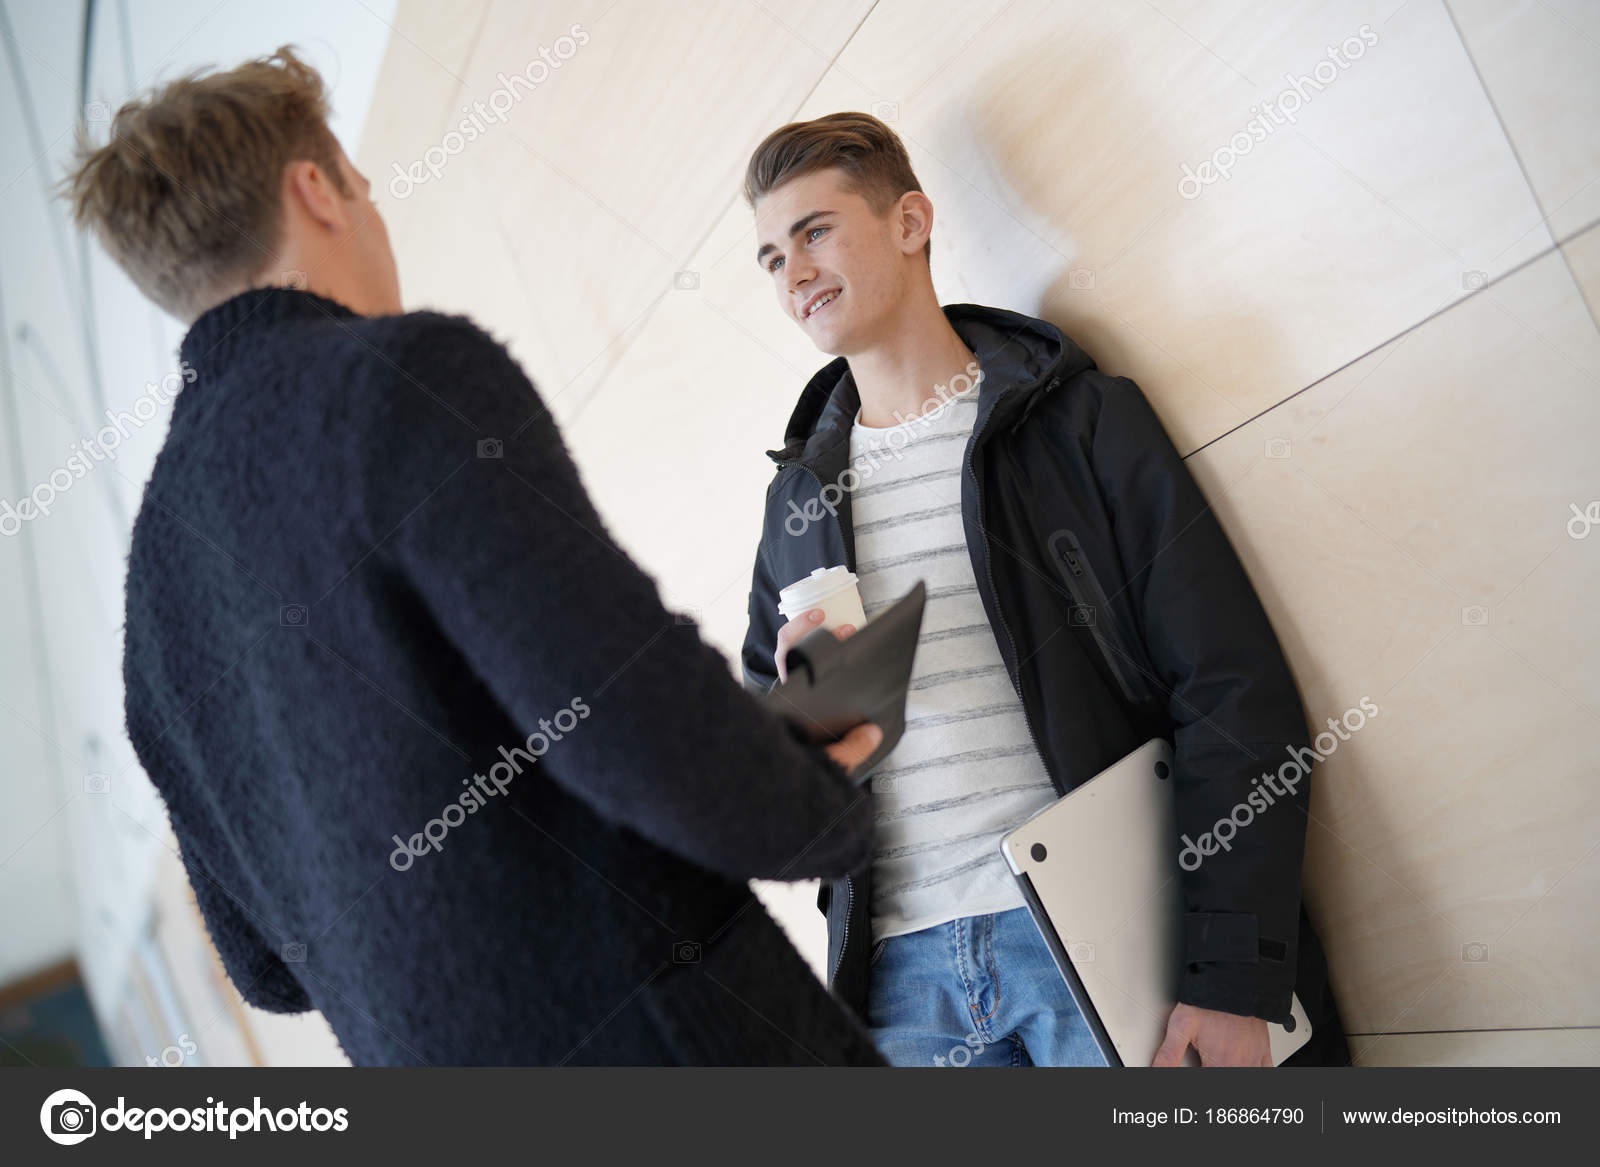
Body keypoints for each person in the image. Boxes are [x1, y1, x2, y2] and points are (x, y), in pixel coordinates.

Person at [62, 47, 888, 1066]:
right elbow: (626, 716)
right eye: (364, 192)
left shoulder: (152, 594)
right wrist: (820, 804)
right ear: (316, 190)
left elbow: (266, 968)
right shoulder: (398, 378)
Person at [738, 112, 1350, 1067]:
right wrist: (799, 721)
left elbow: (1232, 688)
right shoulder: (797, 500)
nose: (794, 273)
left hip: (1100, 946)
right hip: (901, 987)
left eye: (814, 231)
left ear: (909, 222)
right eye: (771, 257)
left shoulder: (1078, 424)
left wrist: (1233, 978)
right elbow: (771, 775)